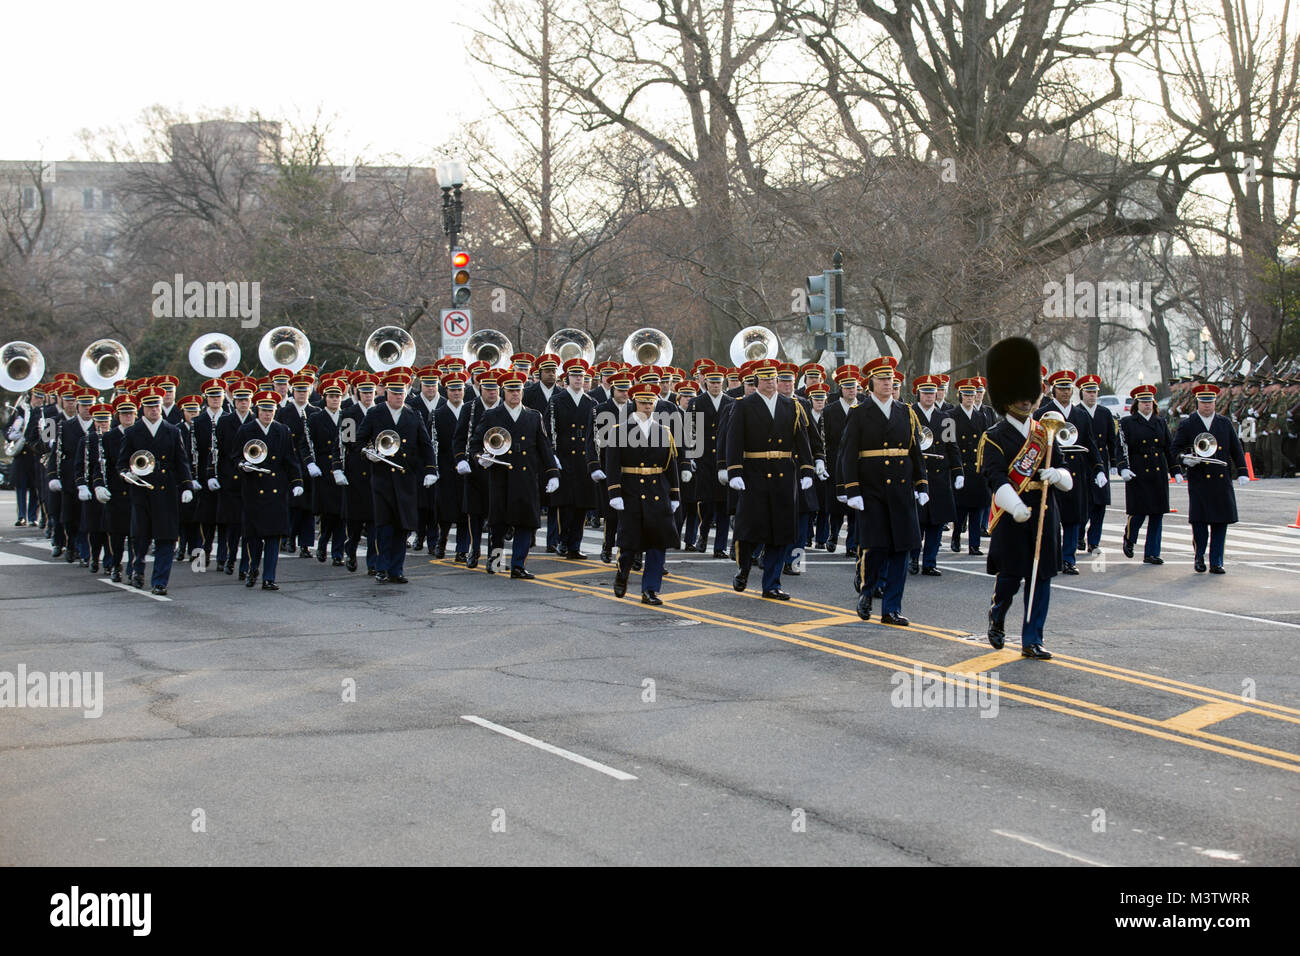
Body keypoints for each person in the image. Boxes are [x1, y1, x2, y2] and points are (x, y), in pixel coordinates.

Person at [979, 338, 1065, 660]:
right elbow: (995, 477)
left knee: (1041, 578)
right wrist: (1014, 506)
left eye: (1030, 395)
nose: (1027, 401)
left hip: (1044, 511)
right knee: (1012, 577)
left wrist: (1057, 476)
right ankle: (998, 613)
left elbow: (1065, 472)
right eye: (1020, 396)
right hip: (1012, 515)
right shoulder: (995, 436)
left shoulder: (1046, 431)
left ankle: (1032, 638)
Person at [841, 357, 926, 625]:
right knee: (875, 547)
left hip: (901, 490)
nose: (887, 383)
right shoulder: (859, 412)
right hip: (873, 489)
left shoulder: (906, 412)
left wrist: (921, 483)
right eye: (881, 379)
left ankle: (891, 608)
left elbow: (915, 451)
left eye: (890, 379)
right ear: (871, 384)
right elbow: (848, 453)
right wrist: (852, 489)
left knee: (902, 549)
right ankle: (867, 592)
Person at [726, 358, 817, 600]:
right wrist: (734, 471)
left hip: (784, 474)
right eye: (765, 379)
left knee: (781, 531)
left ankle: (772, 584)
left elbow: (802, 440)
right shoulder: (744, 405)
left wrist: (807, 469)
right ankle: (743, 568)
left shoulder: (792, 405)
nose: (770, 383)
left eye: (773, 378)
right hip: (754, 473)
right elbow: (734, 440)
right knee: (749, 529)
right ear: (757, 381)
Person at [470, 369, 559, 578]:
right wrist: (480, 457)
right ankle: (497, 561)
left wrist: (553, 473)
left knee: (525, 522)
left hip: (526, 476)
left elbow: (544, 447)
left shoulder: (533, 415)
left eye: (518, 390)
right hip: (501, 474)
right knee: (498, 523)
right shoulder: (492, 415)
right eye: (511, 390)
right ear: (504, 392)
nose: (515, 394)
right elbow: (475, 443)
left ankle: (519, 564)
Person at [358, 370, 438, 584]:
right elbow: (359, 440)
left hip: (405, 478)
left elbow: (425, 444)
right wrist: (369, 453)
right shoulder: (375, 413)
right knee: (384, 526)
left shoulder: (413, 414)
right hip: (382, 478)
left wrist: (431, 469)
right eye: (394, 393)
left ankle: (397, 569)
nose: (398, 397)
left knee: (402, 526)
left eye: (401, 393)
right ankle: (381, 567)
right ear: (387, 395)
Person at [604, 381, 681, 604]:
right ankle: (622, 572)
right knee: (629, 543)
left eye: (651, 402)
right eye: (643, 402)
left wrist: (675, 495)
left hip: (657, 490)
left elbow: (670, 466)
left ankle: (650, 590)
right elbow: (612, 465)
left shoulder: (663, 431)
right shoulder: (619, 431)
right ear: (635, 402)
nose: (647, 406)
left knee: (658, 544)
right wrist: (614, 492)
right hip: (631, 491)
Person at [117, 386, 193, 595]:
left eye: (157, 406)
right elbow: (122, 462)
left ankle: (160, 581)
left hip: (166, 490)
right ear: (143, 408)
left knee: (166, 537)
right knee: (140, 537)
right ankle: (138, 567)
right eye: (150, 406)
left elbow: (181, 462)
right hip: (142, 491)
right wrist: (127, 474)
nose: (154, 410)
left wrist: (186, 485)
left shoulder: (172, 430)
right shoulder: (133, 432)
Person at [1033, 370, 1106, 574]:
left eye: (1068, 388)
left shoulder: (1080, 415)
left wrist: (1098, 468)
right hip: (1051, 471)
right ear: (1053, 390)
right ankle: (1053, 557)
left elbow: (1089, 444)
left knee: (1074, 519)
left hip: (1075, 473)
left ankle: (1068, 558)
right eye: (1061, 388)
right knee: (1052, 519)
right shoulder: (1042, 414)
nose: (1065, 392)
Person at [1171, 382, 1249, 574]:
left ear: (1215, 403)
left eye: (1210, 402)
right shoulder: (1188, 423)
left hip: (1220, 480)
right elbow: (1175, 448)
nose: (1207, 406)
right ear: (1197, 403)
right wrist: (1184, 460)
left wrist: (1242, 471)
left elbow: (1236, 448)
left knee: (1220, 523)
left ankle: (1216, 561)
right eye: (1203, 402)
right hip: (1199, 480)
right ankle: (1199, 557)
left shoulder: (1224, 423)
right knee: (1199, 523)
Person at [235, 389, 304, 589]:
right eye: (264, 410)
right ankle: (252, 568)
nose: (268, 414)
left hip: (276, 489)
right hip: (254, 489)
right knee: (254, 537)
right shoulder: (246, 430)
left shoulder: (282, 430)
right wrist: (242, 465)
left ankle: (269, 577)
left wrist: (297, 482)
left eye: (271, 410)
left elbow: (290, 460)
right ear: (258, 410)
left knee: (274, 536)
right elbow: (234, 456)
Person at [1118, 384, 1178, 563]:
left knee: (1157, 513)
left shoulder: (1160, 422)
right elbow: (1121, 448)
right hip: (1138, 469)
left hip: (1157, 469)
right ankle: (1130, 537)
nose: (1147, 405)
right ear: (1137, 404)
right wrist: (1123, 467)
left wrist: (1175, 469)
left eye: (1150, 401)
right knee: (1139, 512)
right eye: (1143, 402)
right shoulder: (1128, 422)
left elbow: (1168, 447)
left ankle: (1152, 552)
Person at [546, 357, 599, 559]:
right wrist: (552, 455)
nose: (579, 380)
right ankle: (563, 540)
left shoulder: (591, 402)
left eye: (582, 376)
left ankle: (575, 544)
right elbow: (549, 430)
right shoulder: (557, 401)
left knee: (582, 506)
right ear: (567, 378)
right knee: (566, 505)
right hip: (565, 456)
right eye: (575, 376)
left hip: (584, 459)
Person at [909, 375, 961, 576]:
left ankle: (930, 561)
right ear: (918, 394)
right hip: (917, 473)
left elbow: (952, 447)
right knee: (917, 521)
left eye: (932, 392)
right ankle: (913, 558)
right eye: (926, 393)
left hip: (939, 476)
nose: (930, 396)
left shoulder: (945, 419)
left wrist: (958, 471)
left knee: (936, 522)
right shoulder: (909, 414)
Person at [588, 367, 635, 563]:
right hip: (609, 465)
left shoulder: (635, 408)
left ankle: (633, 552)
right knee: (611, 513)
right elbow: (592, 441)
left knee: (632, 512)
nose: (625, 394)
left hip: (632, 467)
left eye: (627, 390)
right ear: (612, 390)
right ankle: (607, 546)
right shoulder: (600, 410)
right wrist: (594, 465)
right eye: (620, 390)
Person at [1075, 374, 1123, 555]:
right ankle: (1079, 536)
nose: (1092, 395)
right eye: (1088, 392)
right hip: (1083, 463)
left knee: (1100, 505)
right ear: (1082, 393)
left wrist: (1113, 462)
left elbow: (1112, 440)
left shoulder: (1104, 413)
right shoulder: (1077, 412)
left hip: (1101, 463)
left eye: (1094, 391)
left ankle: (1093, 541)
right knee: (1084, 503)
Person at [307, 378, 349, 566]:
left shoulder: (347, 418)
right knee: (328, 513)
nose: (335, 400)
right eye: (331, 396)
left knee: (342, 513)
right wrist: (310, 463)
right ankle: (323, 542)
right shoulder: (316, 418)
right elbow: (306, 443)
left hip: (341, 467)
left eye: (337, 396)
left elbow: (350, 444)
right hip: (324, 468)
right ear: (324, 398)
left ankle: (338, 553)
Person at [431, 371, 470, 561]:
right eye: (453, 390)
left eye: (460, 389)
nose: (456, 393)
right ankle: (442, 540)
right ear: (446, 391)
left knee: (465, 510)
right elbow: (434, 443)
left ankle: (462, 549)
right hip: (445, 468)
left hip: (465, 468)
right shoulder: (438, 414)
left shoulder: (470, 411)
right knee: (445, 510)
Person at [950, 378, 990, 555]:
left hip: (977, 467)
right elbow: (949, 442)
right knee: (961, 508)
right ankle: (956, 536)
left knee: (978, 507)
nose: (969, 399)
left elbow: (986, 441)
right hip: (961, 466)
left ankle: (974, 544)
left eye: (972, 395)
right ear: (960, 396)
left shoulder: (982, 416)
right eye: (966, 395)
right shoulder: (951, 416)